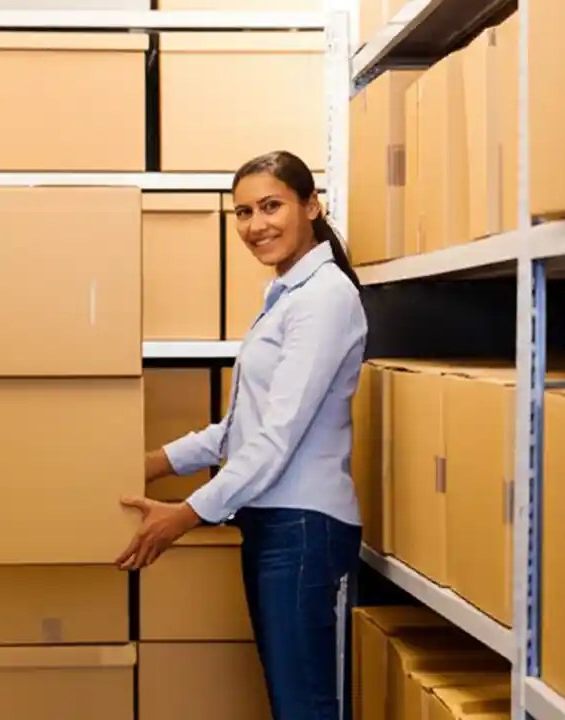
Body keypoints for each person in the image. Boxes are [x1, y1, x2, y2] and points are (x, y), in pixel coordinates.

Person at [117, 150, 367, 720]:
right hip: (274, 521)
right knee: (291, 701)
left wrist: (185, 516)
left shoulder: (324, 299)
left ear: (311, 205)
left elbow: (276, 438)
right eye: (244, 212)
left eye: (272, 206)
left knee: (303, 707)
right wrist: (151, 462)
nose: (256, 226)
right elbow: (240, 429)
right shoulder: (287, 297)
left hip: (303, 526)